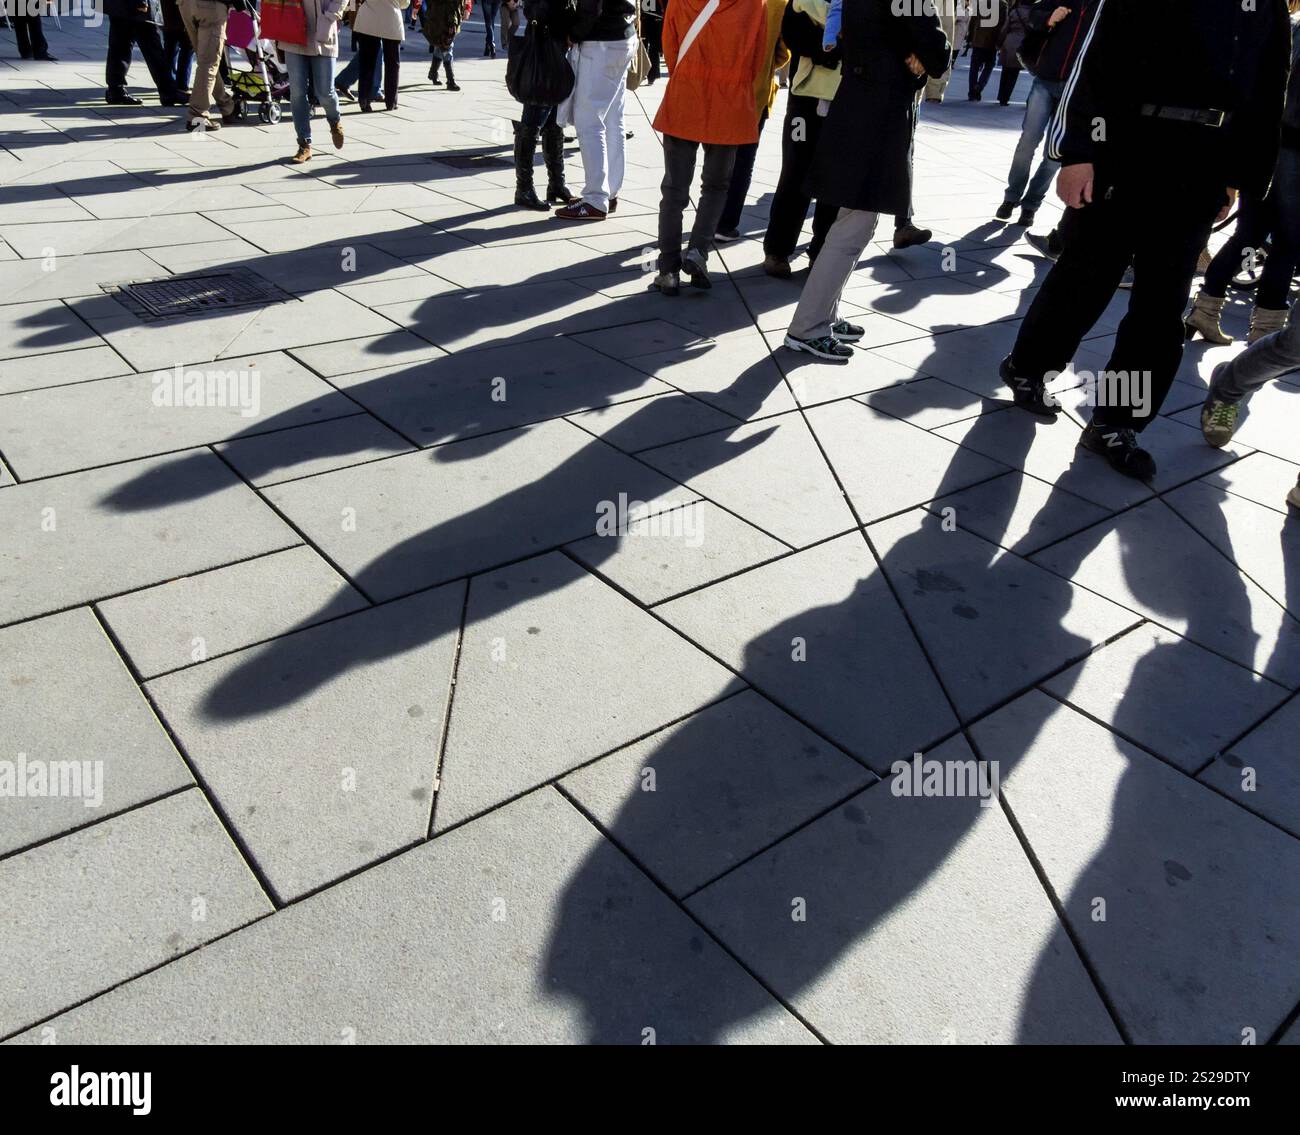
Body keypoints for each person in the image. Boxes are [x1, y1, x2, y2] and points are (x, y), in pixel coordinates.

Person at [998, 0, 1291, 482]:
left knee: (1162, 305)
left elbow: (1266, 91)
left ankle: (1115, 422)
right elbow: (1097, 62)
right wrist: (1077, 153)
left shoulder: (1267, 7)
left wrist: (1239, 178)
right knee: (1087, 275)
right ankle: (1029, 366)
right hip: (1127, 148)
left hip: (1202, 167)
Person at [784, 0, 950, 360]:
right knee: (854, 225)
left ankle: (825, 313)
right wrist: (920, 60)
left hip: (857, 99)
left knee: (852, 219)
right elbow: (937, 52)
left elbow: (854, 34)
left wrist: (913, 58)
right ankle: (808, 327)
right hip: (879, 110)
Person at [650, 0, 768, 294]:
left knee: (674, 189)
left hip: (686, 94)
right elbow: (758, 58)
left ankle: (667, 270)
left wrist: (688, 73)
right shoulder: (756, 5)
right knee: (716, 186)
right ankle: (698, 252)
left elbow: (671, 45)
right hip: (730, 100)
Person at [995, 2, 1097, 229]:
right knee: (1027, 142)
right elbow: (1033, 15)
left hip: (1074, 91)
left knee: (1054, 155)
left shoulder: (1104, 8)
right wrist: (1049, 18)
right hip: (1045, 80)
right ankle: (1011, 197)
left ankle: (1031, 205)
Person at [761, 0, 841, 277]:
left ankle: (822, 253)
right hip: (805, 99)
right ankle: (777, 250)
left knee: (834, 181)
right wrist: (827, 48)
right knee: (795, 173)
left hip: (847, 101)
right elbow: (793, 30)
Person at [552, 0, 637, 221]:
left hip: (601, 41)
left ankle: (596, 198)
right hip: (622, 35)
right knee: (613, 119)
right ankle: (609, 192)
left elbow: (592, 7)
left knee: (589, 121)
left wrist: (575, 33)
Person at [713, 0, 790, 243]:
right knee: (744, 160)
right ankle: (726, 224)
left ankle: (707, 217)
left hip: (719, 89)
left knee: (715, 159)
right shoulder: (780, 4)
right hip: (755, 92)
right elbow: (783, 53)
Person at [510, 0, 578, 208]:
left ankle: (556, 183)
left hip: (554, 46)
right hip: (543, 49)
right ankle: (524, 188)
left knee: (554, 122)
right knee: (532, 122)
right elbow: (538, 9)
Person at [279, 0, 347, 162]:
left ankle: (334, 120)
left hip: (323, 32)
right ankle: (304, 143)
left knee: (325, 92)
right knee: (297, 92)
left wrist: (329, 16)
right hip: (293, 30)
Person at [105, 0, 182, 108]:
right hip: (135, 7)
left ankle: (115, 90)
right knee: (153, 49)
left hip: (119, 6)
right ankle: (168, 92)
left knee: (120, 46)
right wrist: (141, 2)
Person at [179, 0, 236, 128]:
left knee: (206, 61)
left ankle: (227, 105)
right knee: (208, 63)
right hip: (211, 6)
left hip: (185, 5)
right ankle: (197, 115)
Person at [354, 0, 410, 111]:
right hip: (391, 17)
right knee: (392, 65)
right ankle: (391, 101)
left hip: (368, 18)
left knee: (367, 63)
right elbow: (405, 3)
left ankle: (364, 100)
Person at [995, 0, 1031, 105]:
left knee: (1005, 71)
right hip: (1022, 43)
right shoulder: (1033, 14)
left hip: (1009, 42)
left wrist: (999, 42)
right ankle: (1005, 98)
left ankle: (1001, 96)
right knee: (1014, 73)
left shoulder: (1014, 12)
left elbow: (1005, 29)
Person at [421, 0, 464, 89]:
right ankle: (450, 80)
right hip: (445, 18)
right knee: (447, 46)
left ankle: (433, 73)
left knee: (440, 45)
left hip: (443, 17)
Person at [966, 0, 1003, 101]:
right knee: (989, 66)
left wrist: (970, 38)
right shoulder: (1002, 4)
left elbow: (973, 21)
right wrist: (1000, 42)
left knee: (974, 67)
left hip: (978, 39)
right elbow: (1003, 25)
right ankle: (980, 86)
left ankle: (971, 92)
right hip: (992, 41)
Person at [161, 0, 194, 96]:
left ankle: (169, 85)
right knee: (187, 47)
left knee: (170, 48)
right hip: (184, 11)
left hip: (168, 13)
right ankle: (182, 85)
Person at [639, 0, 663, 83]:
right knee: (653, 47)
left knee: (643, 46)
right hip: (655, 16)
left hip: (644, 15)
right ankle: (652, 74)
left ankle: (643, 73)